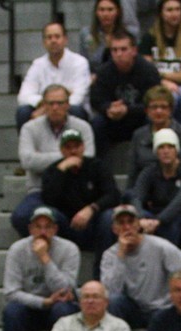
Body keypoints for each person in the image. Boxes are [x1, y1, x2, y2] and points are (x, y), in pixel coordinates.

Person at [100, 203, 181, 328]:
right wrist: (120, 256)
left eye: (131, 222)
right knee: (114, 301)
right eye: (121, 223)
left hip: (161, 308)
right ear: (114, 229)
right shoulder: (110, 255)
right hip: (133, 309)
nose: (127, 227)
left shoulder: (159, 246)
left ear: (138, 224)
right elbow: (110, 292)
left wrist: (173, 296)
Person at [3, 206, 81, 331]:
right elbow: (11, 292)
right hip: (30, 308)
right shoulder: (17, 250)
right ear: (30, 229)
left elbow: (66, 289)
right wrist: (44, 302)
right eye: (38, 227)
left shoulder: (69, 249)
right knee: (11, 311)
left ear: (55, 229)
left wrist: (45, 258)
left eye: (48, 227)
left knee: (63, 310)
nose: (43, 232)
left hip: (59, 306)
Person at [12, 85, 97, 236]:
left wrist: (43, 158)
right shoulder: (29, 128)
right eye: (50, 103)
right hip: (39, 190)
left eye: (60, 103)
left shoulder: (83, 127)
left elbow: (88, 158)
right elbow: (27, 161)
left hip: (76, 190)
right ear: (43, 106)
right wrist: (65, 159)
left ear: (68, 105)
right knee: (21, 216)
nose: (55, 108)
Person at [124, 128, 181, 252]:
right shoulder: (149, 171)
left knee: (172, 222)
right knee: (136, 219)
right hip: (159, 222)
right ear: (156, 152)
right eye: (161, 147)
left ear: (176, 150)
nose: (166, 151)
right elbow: (136, 196)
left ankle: (166, 262)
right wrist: (141, 217)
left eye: (170, 147)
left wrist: (159, 220)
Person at [39, 128, 120, 253]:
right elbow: (48, 199)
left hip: (94, 221)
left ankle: (103, 262)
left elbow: (113, 195)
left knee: (109, 216)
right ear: (61, 150)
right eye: (68, 147)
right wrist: (60, 172)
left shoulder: (97, 166)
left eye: (76, 146)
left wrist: (91, 209)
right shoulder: (52, 170)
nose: (73, 151)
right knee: (49, 215)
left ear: (83, 147)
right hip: (66, 223)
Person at [91, 33, 163, 149]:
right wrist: (108, 108)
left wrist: (127, 110)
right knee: (97, 122)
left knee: (153, 118)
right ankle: (101, 158)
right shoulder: (103, 71)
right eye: (114, 50)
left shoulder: (148, 70)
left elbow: (154, 101)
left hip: (139, 118)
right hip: (112, 119)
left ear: (134, 51)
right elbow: (95, 100)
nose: (119, 54)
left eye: (123, 49)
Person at [16, 22, 91, 127]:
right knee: (23, 112)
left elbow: (78, 97)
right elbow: (23, 96)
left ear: (65, 40)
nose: (53, 41)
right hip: (44, 111)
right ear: (44, 42)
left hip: (70, 111)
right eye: (49, 37)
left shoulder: (79, 62)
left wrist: (50, 107)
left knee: (76, 110)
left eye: (57, 36)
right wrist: (46, 105)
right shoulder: (37, 64)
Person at [141, 0, 181, 124]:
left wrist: (160, 75)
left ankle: (178, 130)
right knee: (172, 97)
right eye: (169, 10)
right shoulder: (149, 37)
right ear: (161, 13)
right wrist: (162, 81)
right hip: (155, 85)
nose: (174, 14)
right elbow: (147, 72)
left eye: (178, 9)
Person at [129, 86, 181, 180]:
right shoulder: (139, 135)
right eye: (154, 107)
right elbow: (133, 173)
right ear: (147, 111)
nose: (159, 111)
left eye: (163, 107)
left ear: (170, 110)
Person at [80, 0, 131, 66]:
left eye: (110, 10)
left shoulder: (128, 33)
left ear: (118, 11)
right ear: (96, 12)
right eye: (102, 10)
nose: (105, 14)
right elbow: (83, 61)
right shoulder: (86, 33)